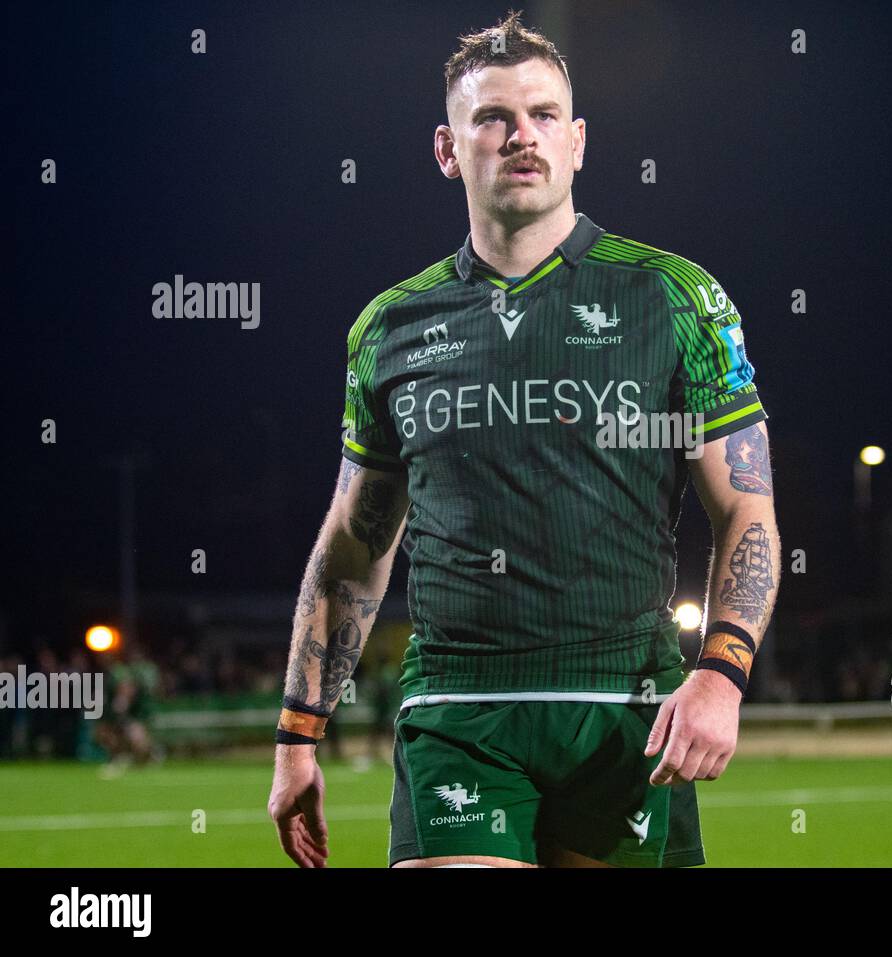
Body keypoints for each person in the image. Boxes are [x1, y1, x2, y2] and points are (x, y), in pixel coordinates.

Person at [267, 10, 780, 868]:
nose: (521, 137)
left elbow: (746, 511)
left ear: (578, 142)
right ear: (447, 148)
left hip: (626, 709)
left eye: (543, 116)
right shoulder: (388, 328)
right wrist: (296, 734)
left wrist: (720, 674)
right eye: (493, 118)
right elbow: (355, 546)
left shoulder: (676, 298)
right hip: (459, 711)